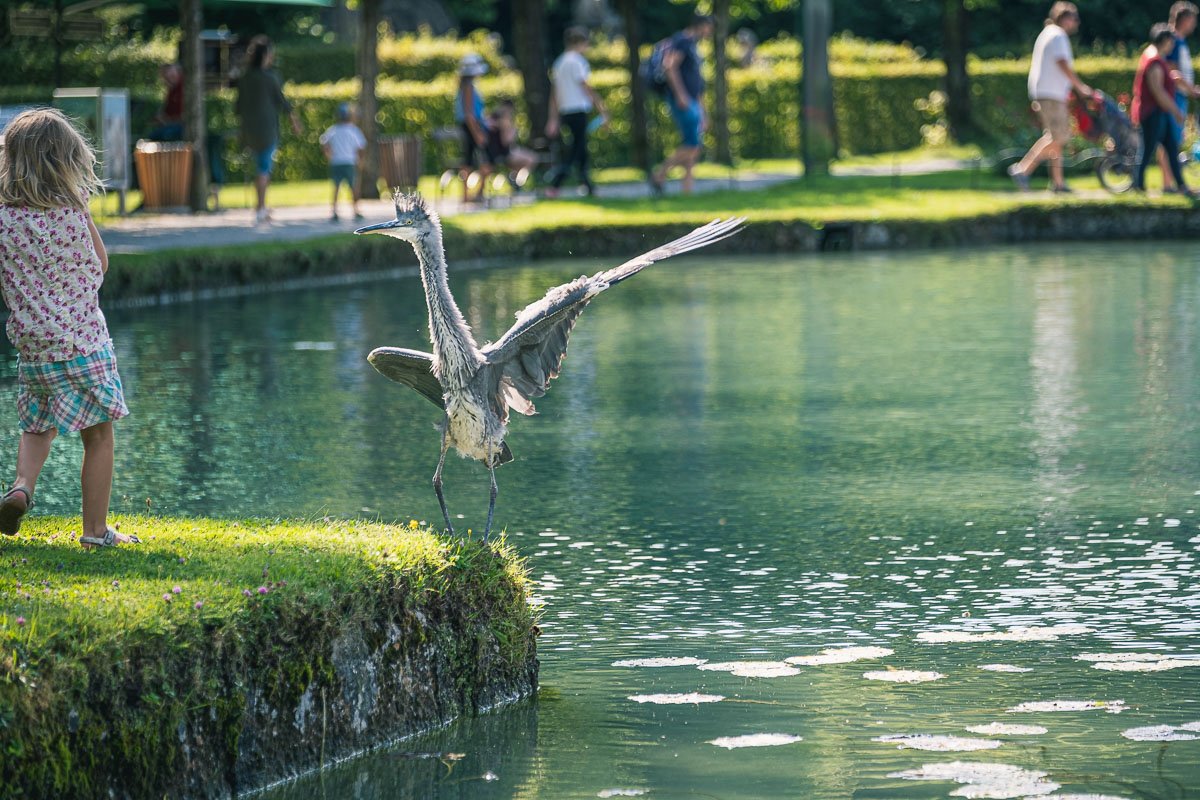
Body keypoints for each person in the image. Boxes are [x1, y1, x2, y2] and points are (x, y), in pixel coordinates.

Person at [0, 109, 136, 548]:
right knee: (98, 437)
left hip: (34, 352)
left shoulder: (3, 220)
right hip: (83, 346)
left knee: (37, 428)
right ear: (66, 161)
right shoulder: (72, 213)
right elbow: (100, 266)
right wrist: (84, 213)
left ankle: (21, 487)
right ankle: (95, 531)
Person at [1008, 2, 1094, 193]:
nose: (1077, 23)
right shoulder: (1057, 34)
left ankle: (1058, 183)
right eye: (1074, 18)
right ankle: (1022, 169)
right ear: (1064, 18)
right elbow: (1062, 63)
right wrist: (1080, 87)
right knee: (1060, 137)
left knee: (1053, 137)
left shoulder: (1047, 33)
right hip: (1051, 94)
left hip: (1046, 92)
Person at [236, 35, 301, 225]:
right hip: (267, 130)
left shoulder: (245, 77)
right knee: (264, 169)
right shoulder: (270, 77)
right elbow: (283, 103)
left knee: (260, 168)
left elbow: (238, 106)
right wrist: (295, 123)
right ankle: (260, 209)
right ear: (265, 55)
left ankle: (261, 207)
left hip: (248, 130)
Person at [650, 13, 715, 196]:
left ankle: (687, 190)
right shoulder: (682, 41)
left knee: (692, 144)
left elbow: (697, 82)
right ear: (700, 25)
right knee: (693, 146)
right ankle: (659, 174)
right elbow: (670, 67)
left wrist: (704, 111)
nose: (709, 32)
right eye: (708, 28)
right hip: (684, 99)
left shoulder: (693, 44)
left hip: (693, 100)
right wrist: (681, 95)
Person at [1132, 24, 1195, 196]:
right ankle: (1137, 184)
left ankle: (1181, 186)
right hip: (1152, 112)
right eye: (1171, 42)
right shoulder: (1154, 60)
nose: (1172, 45)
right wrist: (1175, 110)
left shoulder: (1153, 55)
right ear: (1165, 40)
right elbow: (1158, 91)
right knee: (1148, 148)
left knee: (1171, 147)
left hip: (1159, 112)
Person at [545, 26, 608, 198]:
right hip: (578, 109)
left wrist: (553, 118)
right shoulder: (577, 62)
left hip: (566, 111)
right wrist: (601, 107)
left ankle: (586, 185)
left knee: (580, 149)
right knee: (576, 149)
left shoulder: (559, 62)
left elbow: (554, 94)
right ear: (580, 43)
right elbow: (585, 86)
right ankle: (556, 183)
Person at [1158, 2, 1199, 192]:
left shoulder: (1178, 40)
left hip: (1179, 95)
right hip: (1175, 96)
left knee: (1172, 139)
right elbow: (1173, 71)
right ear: (1185, 19)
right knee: (1170, 140)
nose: (1195, 24)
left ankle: (1169, 183)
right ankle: (1168, 184)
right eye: (1193, 19)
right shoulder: (1173, 40)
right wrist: (1191, 89)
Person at [319, 102, 366, 222]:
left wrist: (328, 155)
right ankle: (356, 211)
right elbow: (361, 147)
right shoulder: (353, 130)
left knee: (336, 187)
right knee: (353, 187)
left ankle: (334, 211)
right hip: (349, 162)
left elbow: (324, 143)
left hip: (336, 162)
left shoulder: (333, 129)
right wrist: (360, 161)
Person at [454, 53, 491, 199]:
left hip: (471, 126)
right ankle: (470, 195)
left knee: (469, 160)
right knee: (476, 161)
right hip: (472, 127)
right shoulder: (468, 87)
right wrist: (478, 134)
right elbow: (469, 114)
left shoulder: (465, 86)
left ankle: (470, 195)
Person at [486, 100, 538, 179]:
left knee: (524, 160)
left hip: (493, 152)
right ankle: (518, 182)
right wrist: (513, 131)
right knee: (532, 158)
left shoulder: (491, 119)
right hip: (502, 153)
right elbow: (506, 141)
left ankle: (514, 179)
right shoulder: (504, 120)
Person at [147, 63, 184, 141]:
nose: (167, 79)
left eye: (171, 75)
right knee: (153, 135)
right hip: (170, 125)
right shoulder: (172, 91)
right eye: (165, 77)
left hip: (181, 126)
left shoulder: (184, 88)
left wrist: (166, 120)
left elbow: (182, 116)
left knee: (163, 135)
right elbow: (166, 111)